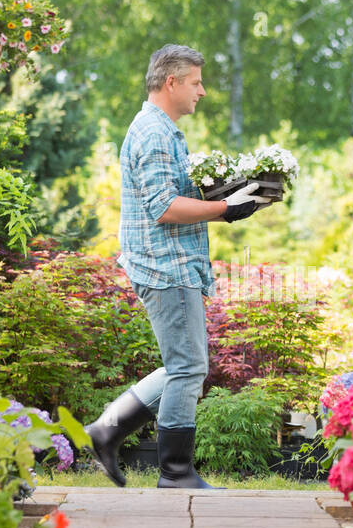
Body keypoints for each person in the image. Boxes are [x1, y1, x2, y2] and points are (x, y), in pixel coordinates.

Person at [84, 44, 270, 489]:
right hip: (165, 266)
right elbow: (163, 207)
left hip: (171, 263)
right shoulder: (152, 133)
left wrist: (234, 194)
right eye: (195, 82)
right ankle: (175, 471)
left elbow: (171, 194)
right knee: (188, 367)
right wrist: (225, 209)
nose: (202, 92)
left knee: (182, 363)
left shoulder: (162, 129)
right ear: (171, 83)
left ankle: (104, 432)